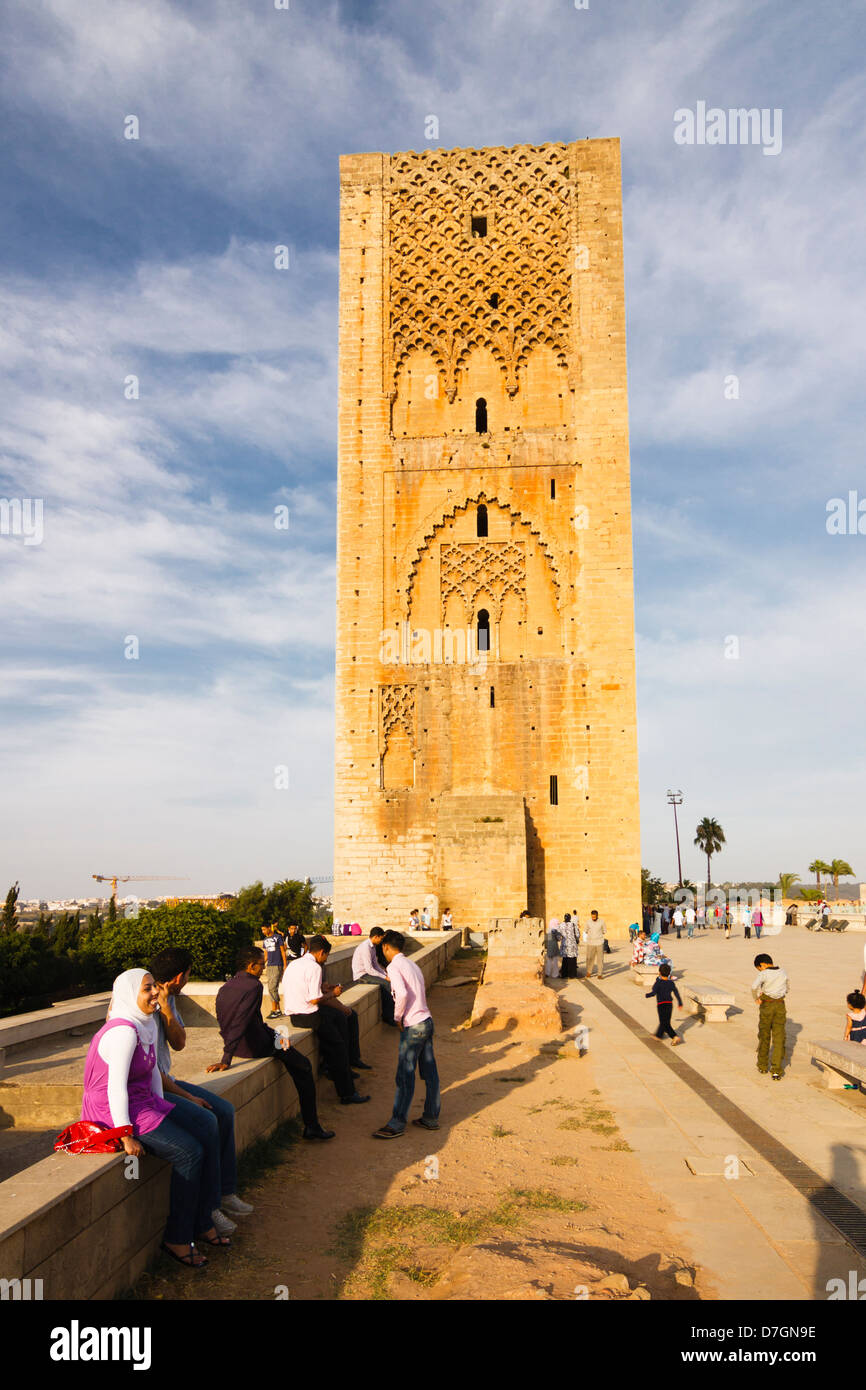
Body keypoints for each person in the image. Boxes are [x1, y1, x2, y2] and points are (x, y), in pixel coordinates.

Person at [83, 968, 228, 1269]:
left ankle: (204, 1217)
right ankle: (177, 1236)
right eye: (146, 989)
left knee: (205, 1122)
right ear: (128, 995)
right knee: (189, 1151)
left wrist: (178, 1108)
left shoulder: (145, 1023)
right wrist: (124, 1134)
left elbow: (151, 1074)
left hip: (143, 1100)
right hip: (114, 1109)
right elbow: (114, 1087)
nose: (155, 994)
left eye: (154, 987)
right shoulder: (123, 1031)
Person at [148, 947, 250, 1237]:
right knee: (207, 1122)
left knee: (224, 1111)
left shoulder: (170, 1001)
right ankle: (209, 1208)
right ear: (180, 976)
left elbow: (178, 1043)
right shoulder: (145, 1003)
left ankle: (226, 1192)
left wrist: (167, 1008)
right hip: (152, 1088)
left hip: (166, 1080)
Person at [206, 945, 334, 1141]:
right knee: (304, 1066)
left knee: (283, 1040)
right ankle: (312, 1125)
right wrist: (226, 1058)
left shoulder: (227, 986)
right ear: (250, 966)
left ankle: (312, 1124)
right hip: (255, 1045)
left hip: (247, 1040)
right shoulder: (254, 986)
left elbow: (236, 1020)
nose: (263, 969)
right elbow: (241, 1021)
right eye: (261, 965)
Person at [280, 935, 370, 1105]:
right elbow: (314, 1000)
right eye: (326, 956)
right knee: (338, 1047)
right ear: (321, 952)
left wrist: (323, 988)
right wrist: (332, 994)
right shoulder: (314, 968)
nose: (325, 959)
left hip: (295, 1015)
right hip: (309, 1016)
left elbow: (306, 991)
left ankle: (334, 1067)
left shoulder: (295, 964)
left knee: (340, 1017)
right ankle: (347, 1093)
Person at [372, 930, 440, 1138]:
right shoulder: (412, 964)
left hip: (413, 1025)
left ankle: (397, 1122)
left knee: (404, 1074)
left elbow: (400, 994)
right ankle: (430, 1117)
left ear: (385, 947)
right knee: (430, 1074)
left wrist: (397, 1018)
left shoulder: (394, 967)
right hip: (426, 1020)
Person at [751, 954, 788, 1080]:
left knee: (764, 1035)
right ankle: (776, 1070)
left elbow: (753, 987)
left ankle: (762, 1065)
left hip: (767, 1005)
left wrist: (756, 998)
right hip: (780, 1005)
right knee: (779, 1038)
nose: (760, 970)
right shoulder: (783, 972)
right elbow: (787, 988)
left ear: (763, 965)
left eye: (759, 968)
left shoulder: (764, 974)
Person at [352, 927, 396, 1025]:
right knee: (387, 984)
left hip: (368, 974)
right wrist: (385, 978)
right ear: (376, 937)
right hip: (362, 976)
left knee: (388, 983)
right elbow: (369, 969)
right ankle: (388, 1016)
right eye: (381, 938)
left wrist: (386, 974)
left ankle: (390, 1014)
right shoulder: (365, 947)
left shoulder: (372, 947)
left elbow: (375, 965)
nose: (381, 941)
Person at [646, 963, 683, 1045]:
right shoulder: (671, 983)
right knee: (665, 1021)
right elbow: (676, 993)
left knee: (664, 1023)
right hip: (669, 1004)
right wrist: (680, 1003)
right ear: (669, 973)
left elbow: (653, 993)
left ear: (659, 972)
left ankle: (674, 1036)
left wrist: (647, 995)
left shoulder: (658, 983)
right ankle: (658, 1035)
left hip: (661, 1005)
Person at [261, 921, 287, 1019]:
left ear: (268, 928)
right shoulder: (265, 940)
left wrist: (285, 966)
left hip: (277, 964)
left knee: (273, 987)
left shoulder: (278, 937)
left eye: (264, 929)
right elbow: (266, 954)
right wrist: (262, 964)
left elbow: (282, 951)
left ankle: (274, 1009)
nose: (263, 931)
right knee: (271, 988)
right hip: (270, 965)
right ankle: (277, 1009)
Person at [584, 910, 607, 980]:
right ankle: (589, 972)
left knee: (600, 959)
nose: (593, 918)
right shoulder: (588, 922)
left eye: (594, 917)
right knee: (589, 958)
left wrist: (598, 935)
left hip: (599, 942)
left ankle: (599, 974)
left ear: (597, 915)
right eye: (592, 917)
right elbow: (585, 930)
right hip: (590, 942)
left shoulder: (602, 922)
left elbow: (604, 931)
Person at [559, 913, 579, 979]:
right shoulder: (573, 924)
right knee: (572, 959)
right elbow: (577, 934)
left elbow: (558, 936)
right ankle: (572, 975)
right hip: (572, 945)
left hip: (564, 945)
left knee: (565, 960)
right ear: (570, 918)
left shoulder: (561, 925)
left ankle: (564, 974)